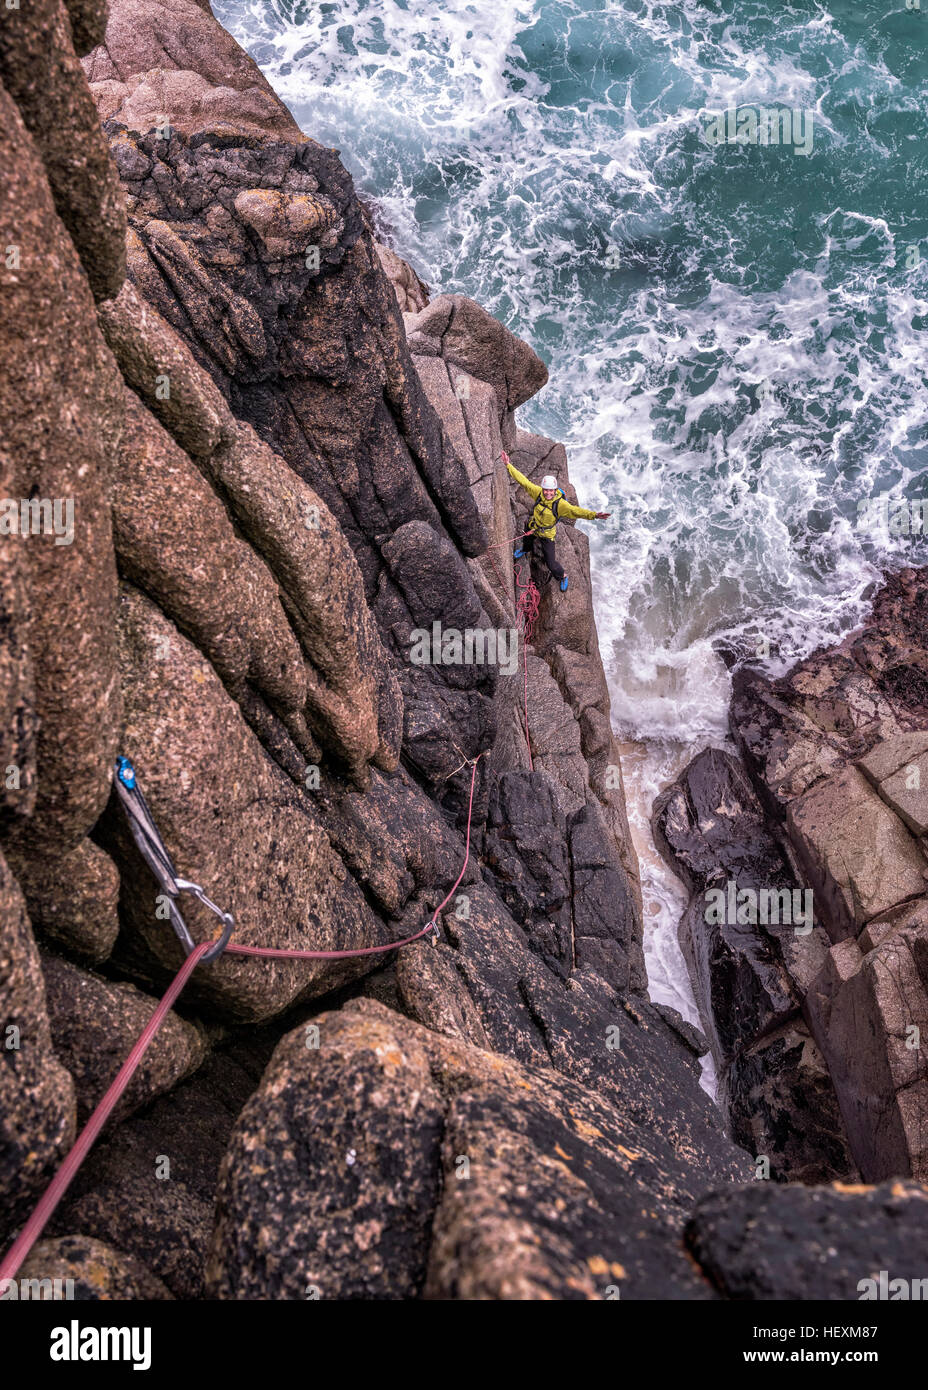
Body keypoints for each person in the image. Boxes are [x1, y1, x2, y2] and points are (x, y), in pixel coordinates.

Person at [501, 450, 611, 591]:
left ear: (555, 490)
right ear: (543, 489)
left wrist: (594, 515)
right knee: (527, 539)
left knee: (551, 563)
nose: (547, 493)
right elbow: (524, 482)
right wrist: (508, 465)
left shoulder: (560, 505)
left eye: (551, 491)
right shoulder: (538, 493)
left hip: (547, 534)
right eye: (546, 490)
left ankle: (563, 576)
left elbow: (576, 511)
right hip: (534, 526)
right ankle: (525, 549)